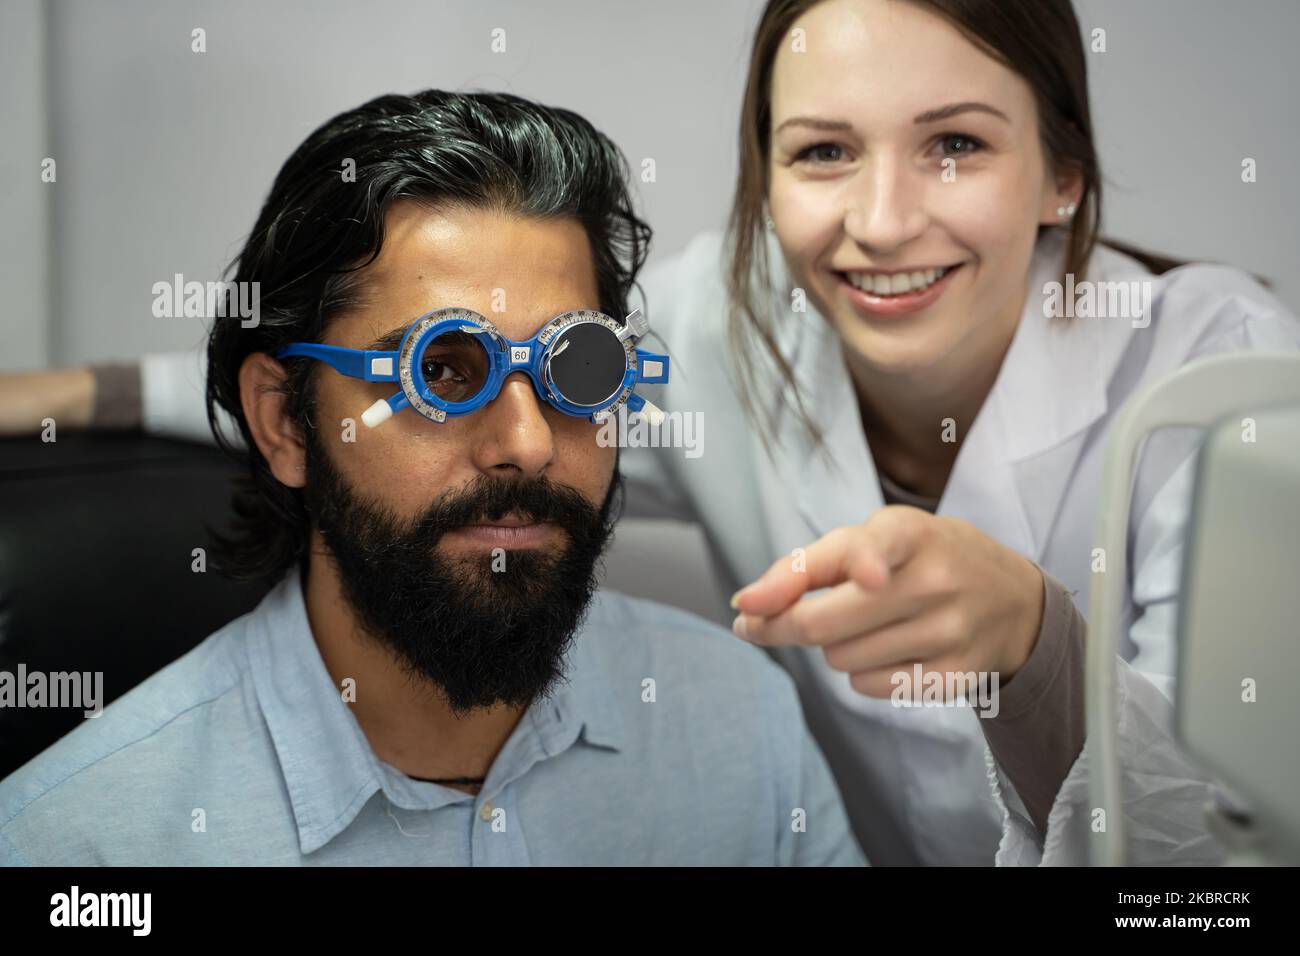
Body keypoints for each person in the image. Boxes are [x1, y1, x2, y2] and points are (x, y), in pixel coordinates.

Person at [4, 0, 1296, 867]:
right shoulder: (723, 328)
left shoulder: (1222, 386)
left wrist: (1043, 652)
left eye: (956, 144)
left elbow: (1235, 851)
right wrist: (49, 398)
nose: (884, 221)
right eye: (824, 151)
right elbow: (297, 368)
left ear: (1064, 176)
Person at [0, 90, 863, 866]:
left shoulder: (742, 725)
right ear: (286, 422)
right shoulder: (82, 844)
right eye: (445, 371)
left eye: (580, 368)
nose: (527, 443)